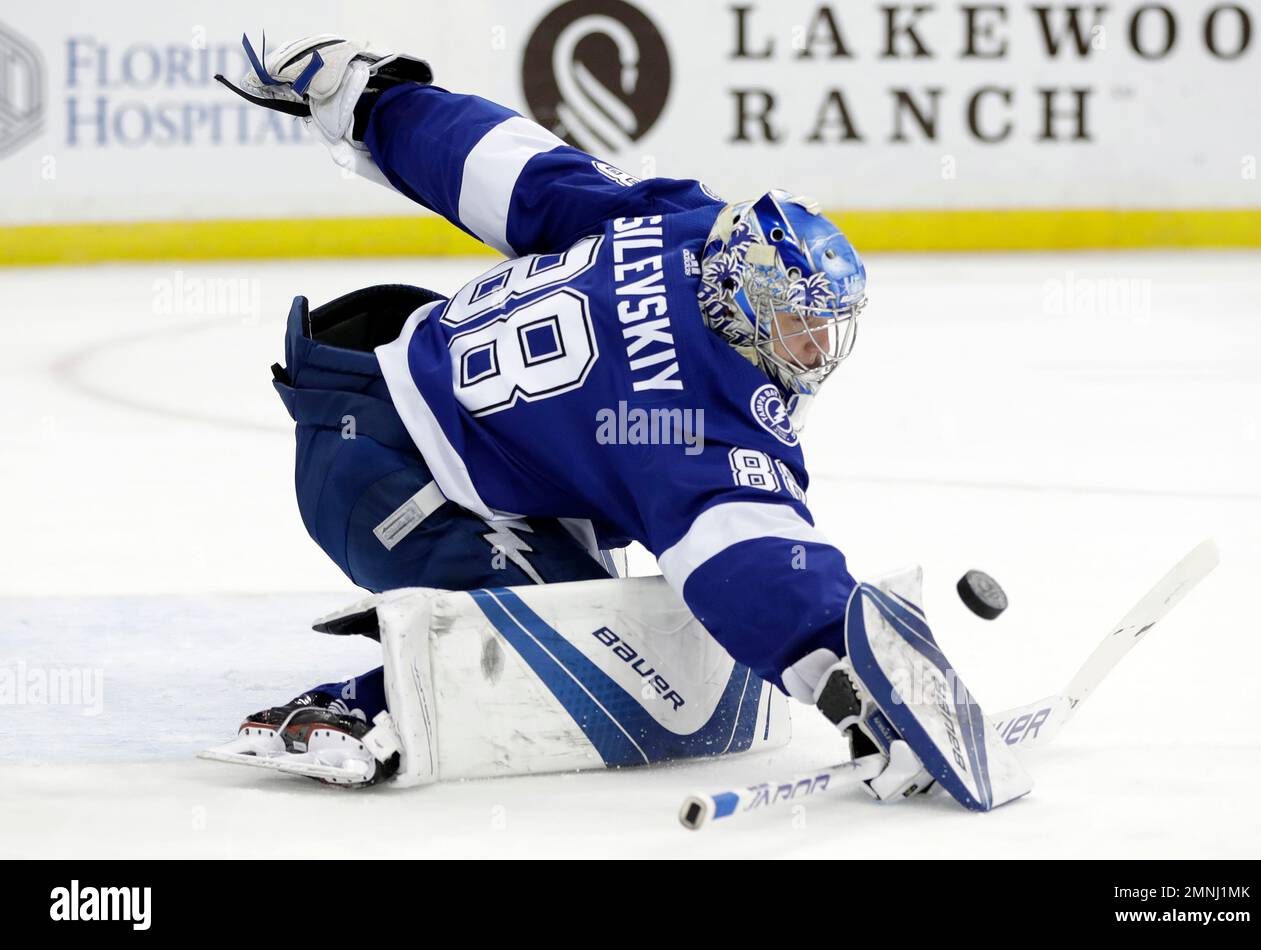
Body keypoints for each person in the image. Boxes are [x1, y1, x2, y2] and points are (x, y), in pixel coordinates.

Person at [213, 34, 927, 798]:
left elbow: (506, 167)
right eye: (795, 319)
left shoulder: (682, 221)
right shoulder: (695, 407)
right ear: (741, 300)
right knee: (597, 651)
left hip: (385, 397)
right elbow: (744, 550)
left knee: (615, 590)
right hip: (388, 480)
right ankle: (348, 710)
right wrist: (850, 673)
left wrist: (366, 99)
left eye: (824, 323)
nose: (815, 346)